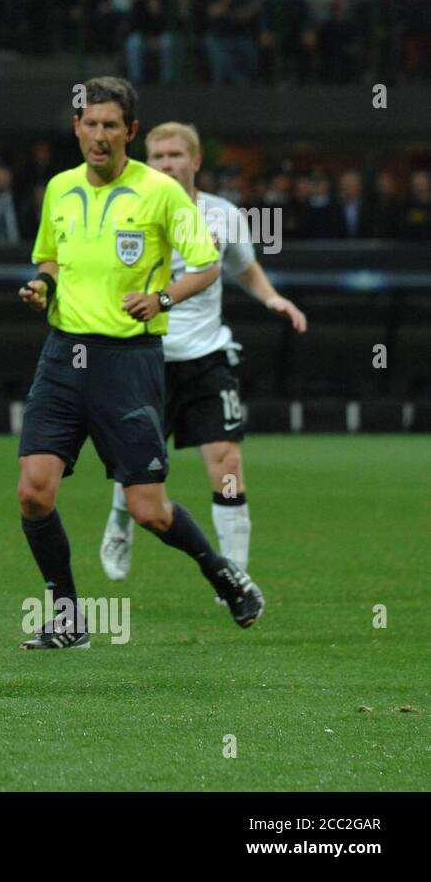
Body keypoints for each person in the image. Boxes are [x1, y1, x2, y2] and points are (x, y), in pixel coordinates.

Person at [16, 76, 263, 649]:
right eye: (89, 124)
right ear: (76, 127)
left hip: (129, 361)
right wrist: (40, 287)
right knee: (33, 490)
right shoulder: (59, 189)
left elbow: (205, 265)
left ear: (130, 131)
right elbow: (50, 260)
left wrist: (164, 298)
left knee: (148, 508)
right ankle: (69, 616)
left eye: (110, 126)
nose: (98, 136)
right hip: (62, 356)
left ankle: (222, 573)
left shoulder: (160, 192)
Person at [99, 121, 307, 596]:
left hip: (207, 356)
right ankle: (119, 522)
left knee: (228, 463)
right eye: (158, 157)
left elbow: (245, 269)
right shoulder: (124, 211)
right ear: (144, 162)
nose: (167, 164)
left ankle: (232, 575)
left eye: (175, 155)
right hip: (144, 356)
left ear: (195, 162)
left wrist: (272, 299)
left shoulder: (224, 216)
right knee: (136, 467)